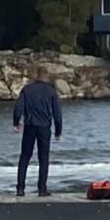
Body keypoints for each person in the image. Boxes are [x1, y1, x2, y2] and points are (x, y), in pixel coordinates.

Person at [13, 66, 63, 197]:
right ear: (47, 76)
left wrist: (16, 123)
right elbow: (57, 114)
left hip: (30, 126)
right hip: (44, 127)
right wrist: (58, 131)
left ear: (36, 76)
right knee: (43, 158)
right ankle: (42, 189)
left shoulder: (27, 89)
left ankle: (20, 189)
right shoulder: (51, 92)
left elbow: (18, 108)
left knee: (25, 156)